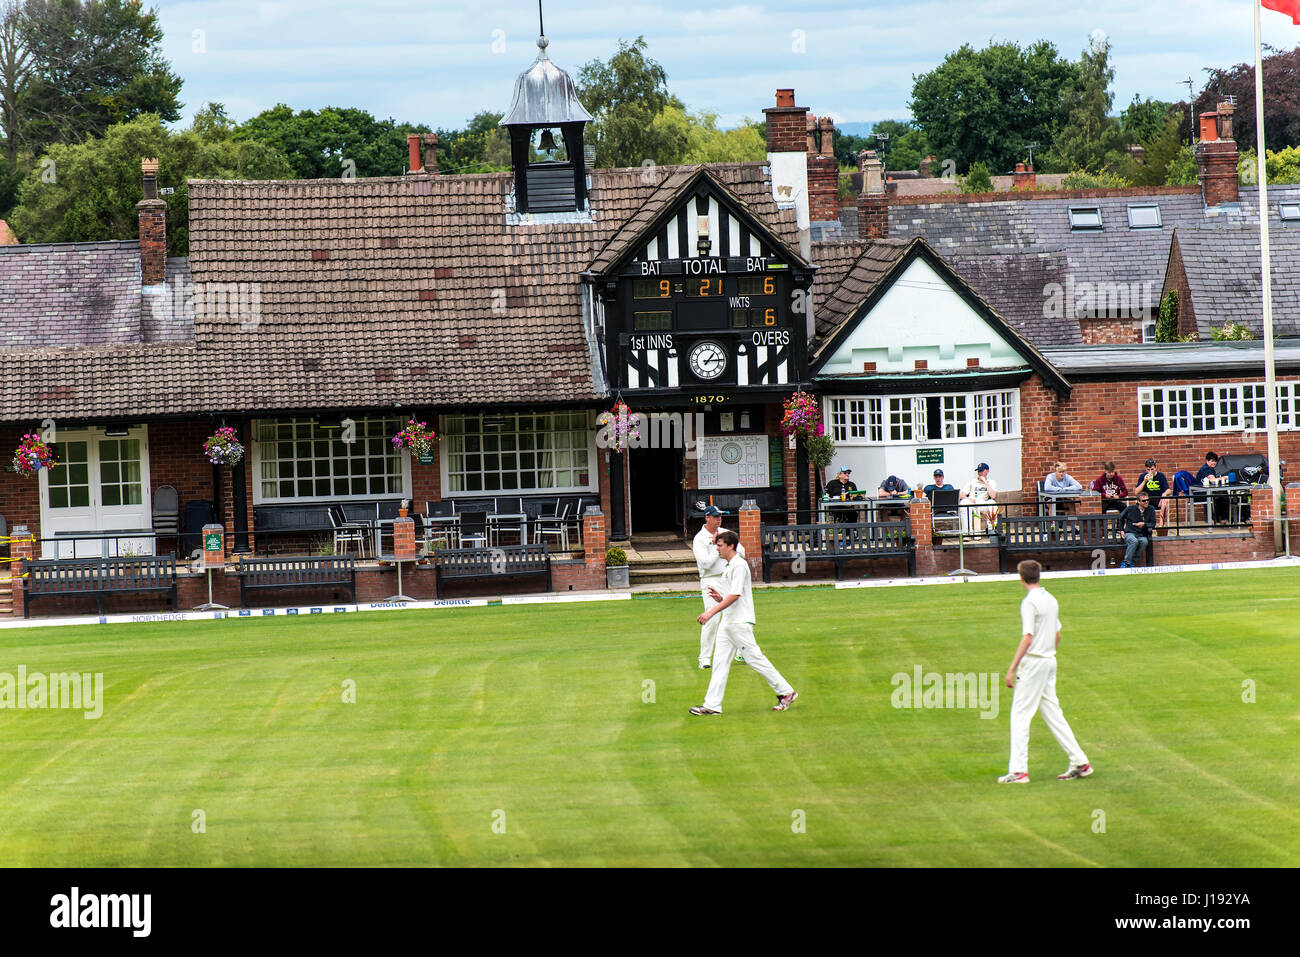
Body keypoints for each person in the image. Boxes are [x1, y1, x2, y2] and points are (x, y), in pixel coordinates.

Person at [997, 560, 1092, 784]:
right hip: (1049, 661)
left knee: (1020, 716)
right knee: (1053, 714)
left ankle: (1019, 771)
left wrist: (1012, 668)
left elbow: (1028, 637)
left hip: (1034, 663)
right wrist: (1049, 654)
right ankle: (1080, 762)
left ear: (1021, 578)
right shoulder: (1050, 599)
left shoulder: (1029, 603)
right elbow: (1057, 634)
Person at [690, 530, 797, 716]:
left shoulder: (739, 565)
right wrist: (719, 598)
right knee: (720, 663)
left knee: (754, 658)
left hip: (739, 622)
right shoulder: (730, 565)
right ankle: (712, 705)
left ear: (731, 546)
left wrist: (710, 612)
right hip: (728, 622)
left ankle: (786, 692)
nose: (717, 549)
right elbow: (731, 596)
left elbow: (736, 595)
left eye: (720, 545)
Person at [692, 505, 744, 670]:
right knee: (712, 618)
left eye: (720, 516)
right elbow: (705, 564)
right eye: (715, 516)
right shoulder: (699, 539)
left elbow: (741, 552)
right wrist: (717, 547)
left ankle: (740, 652)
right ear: (707, 518)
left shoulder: (726, 533)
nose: (719, 519)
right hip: (710, 580)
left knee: (735, 616)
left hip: (727, 577)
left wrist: (727, 548)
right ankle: (705, 658)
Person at [1118, 491, 1156, 568]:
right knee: (1134, 541)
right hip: (1130, 532)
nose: (1146, 502)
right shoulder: (1130, 509)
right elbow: (1120, 518)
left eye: (1147, 500)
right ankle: (1126, 562)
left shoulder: (1151, 509)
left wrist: (1144, 524)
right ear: (1138, 501)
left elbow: (1153, 524)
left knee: (1144, 541)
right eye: (1144, 501)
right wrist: (1121, 530)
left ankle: (1132, 561)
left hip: (1141, 534)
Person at [960, 463, 999, 533]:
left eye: (981, 471)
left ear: (987, 471)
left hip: (983, 503)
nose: (979, 473)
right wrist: (969, 498)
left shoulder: (991, 482)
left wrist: (985, 482)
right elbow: (962, 495)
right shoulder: (971, 482)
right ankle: (966, 533)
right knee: (963, 503)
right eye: (978, 471)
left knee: (992, 503)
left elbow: (993, 496)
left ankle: (991, 531)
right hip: (972, 503)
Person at [1194, 451, 1228, 524]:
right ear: (1207, 461)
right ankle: (1220, 518)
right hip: (1200, 493)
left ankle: (1218, 518)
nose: (1214, 463)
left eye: (1215, 461)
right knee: (1224, 496)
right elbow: (1212, 479)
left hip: (1203, 491)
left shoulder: (1209, 468)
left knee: (1222, 494)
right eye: (1212, 461)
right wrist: (1223, 478)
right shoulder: (1206, 469)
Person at [1138, 459, 1172, 528]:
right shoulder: (1142, 476)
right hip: (1147, 500)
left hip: (1158, 500)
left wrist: (1165, 493)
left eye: (1152, 469)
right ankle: (1143, 525)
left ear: (1156, 468)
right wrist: (1144, 481)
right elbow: (1136, 492)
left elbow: (1169, 490)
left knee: (1165, 500)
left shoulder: (1161, 476)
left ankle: (1161, 525)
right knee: (1140, 501)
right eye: (1148, 469)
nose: (1150, 471)